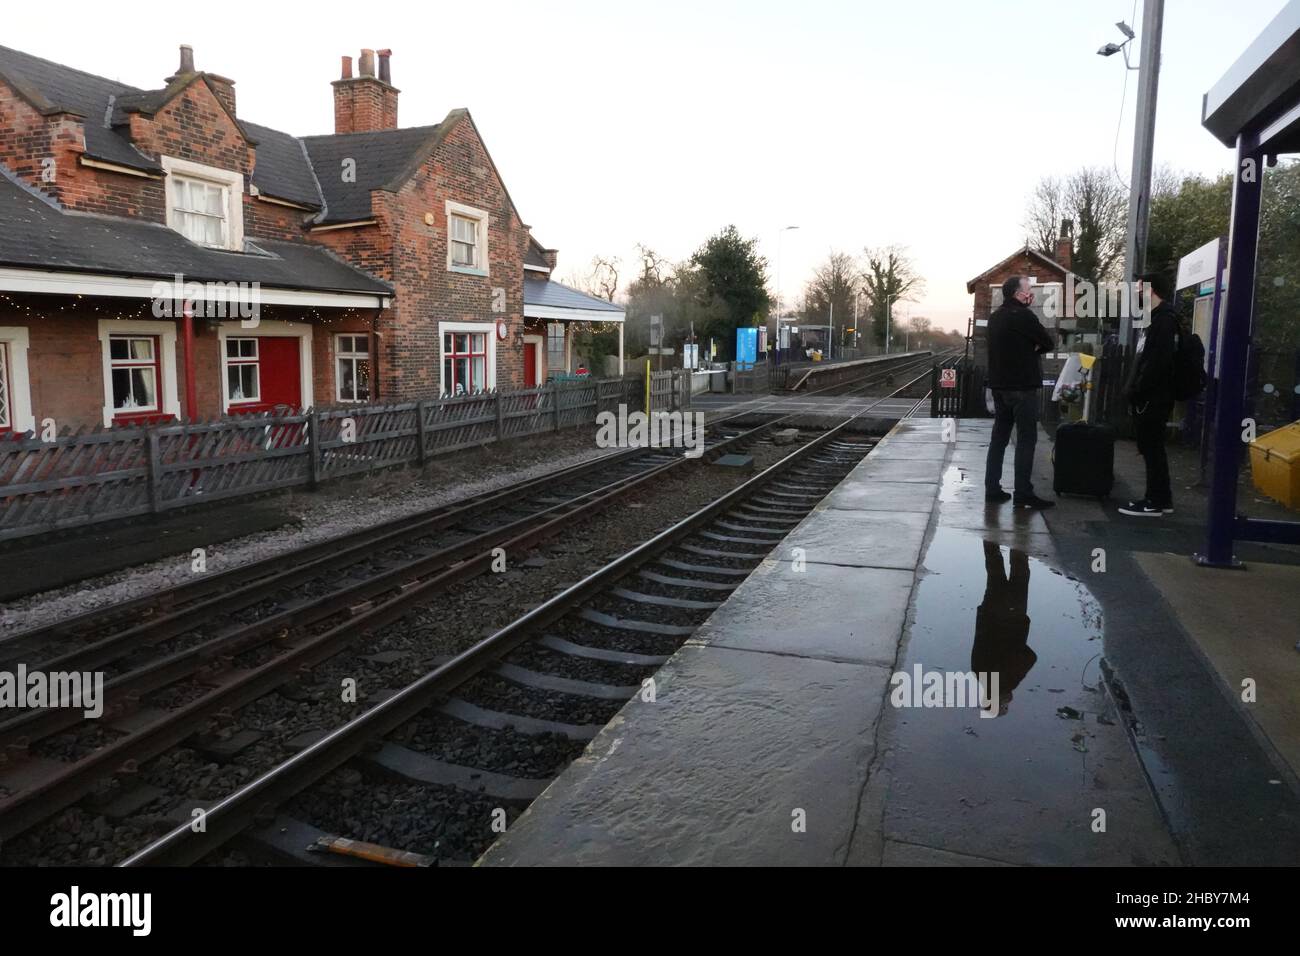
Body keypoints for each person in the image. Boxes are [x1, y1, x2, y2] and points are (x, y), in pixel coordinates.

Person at [984, 276, 1056, 508]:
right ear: (1018, 294)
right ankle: (1023, 493)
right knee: (1026, 440)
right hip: (1023, 388)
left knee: (999, 439)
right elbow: (1048, 341)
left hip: (1000, 388)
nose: (1031, 293)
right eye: (1029, 290)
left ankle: (992, 488)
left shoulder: (994, 318)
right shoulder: (1025, 316)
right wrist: (1032, 347)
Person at [1120, 272, 1179, 517]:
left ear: (1151, 290)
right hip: (1152, 394)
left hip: (1153, 396)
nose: (1136, 293)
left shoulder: (1163, 321)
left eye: (1140, 288)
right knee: (1151, 447)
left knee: (1152, 447)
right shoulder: (1156, 318)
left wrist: (1138, 389)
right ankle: (1159, 497)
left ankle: (1155, 500)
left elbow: (1157, 361)